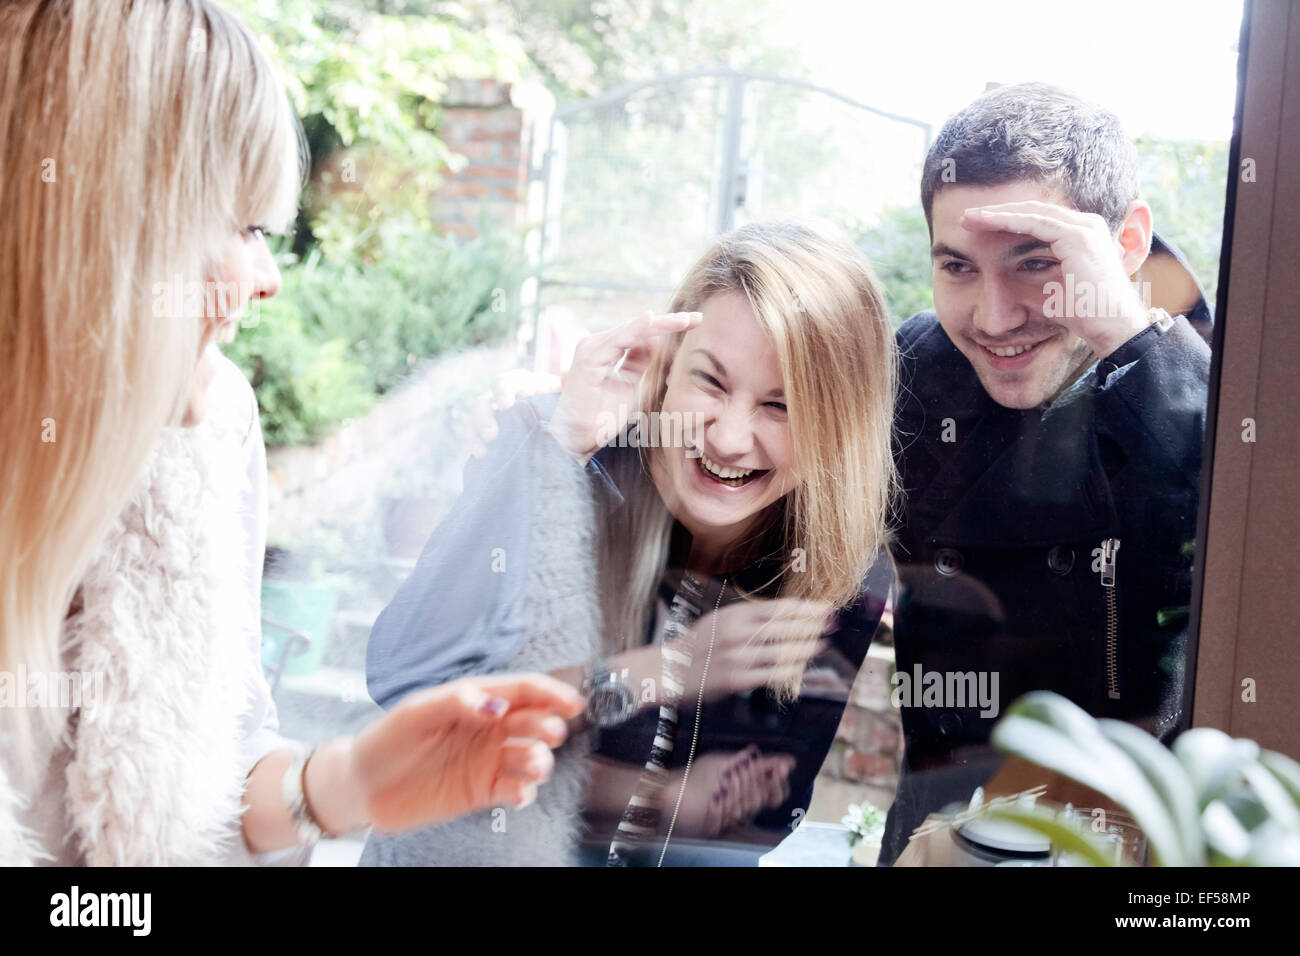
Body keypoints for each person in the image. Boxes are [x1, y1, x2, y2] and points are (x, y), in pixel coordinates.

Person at [0, 0, 582, 866]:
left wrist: (344, 783)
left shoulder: (205, 440)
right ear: (99, 229)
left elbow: (215, 781)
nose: (266, 277)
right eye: (245, 227)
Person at [364, 220, 898, 866]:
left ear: (838, 427)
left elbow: (761, 816)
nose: (729, 438)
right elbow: (406, 683)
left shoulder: (841, 564)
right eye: (712, 381)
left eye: (781, 407)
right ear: (666, 368)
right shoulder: (564, 453)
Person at [880, 82, 1211, 864]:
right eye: (958, 267)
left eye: (1037, 263)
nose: (995, 318)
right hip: (940, 834)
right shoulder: (915, 376)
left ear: (1126, 245)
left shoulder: (1211, 398)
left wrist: (1124, 337)